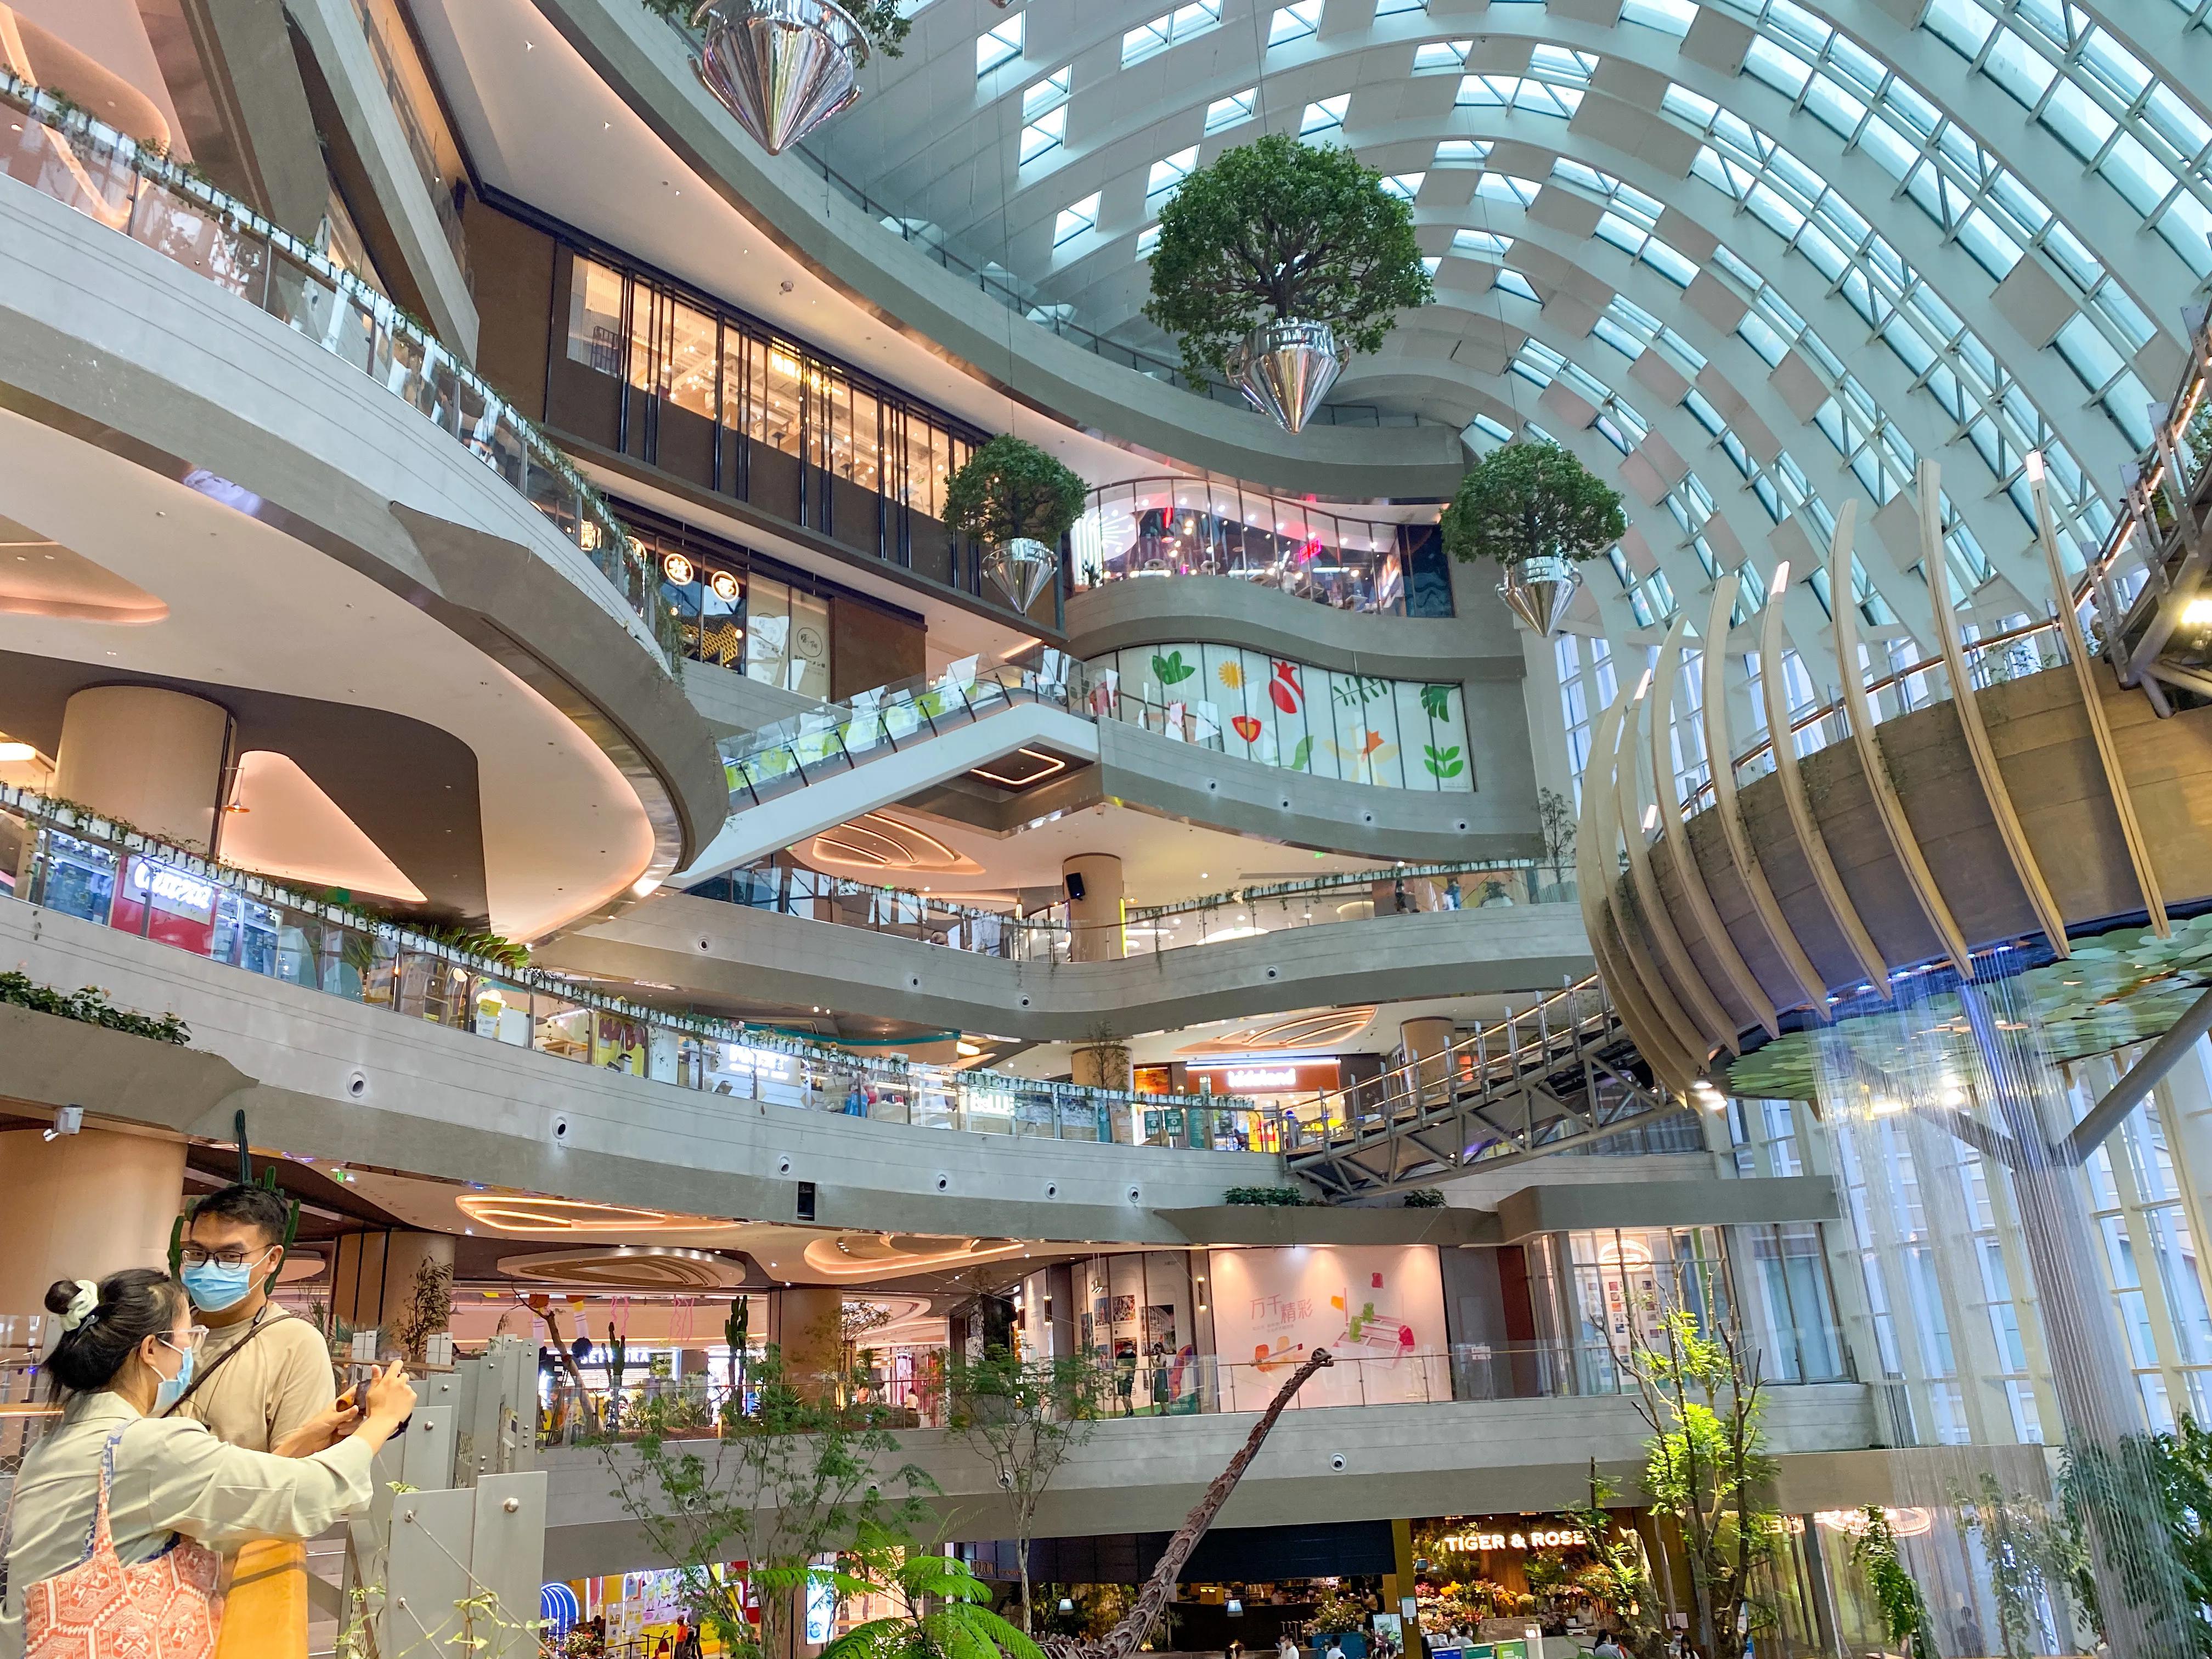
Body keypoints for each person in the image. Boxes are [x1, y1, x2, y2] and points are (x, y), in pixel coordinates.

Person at [1, 1269, 416, 1658]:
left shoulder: (55, 1444)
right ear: (150, 1350)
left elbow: (226, 1495)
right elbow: (302, 1496)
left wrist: (307, 1437)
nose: (189, 1353)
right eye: (187, 1338)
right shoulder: (148, 1447)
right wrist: (383, 1420)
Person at [171, 1182, 338, 1454]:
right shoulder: (166, 1331)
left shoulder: (296, 1344)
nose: (209, 1267)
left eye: (230, 1256)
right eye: (198, 1253)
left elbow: (294, 1467)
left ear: (272, 1259)